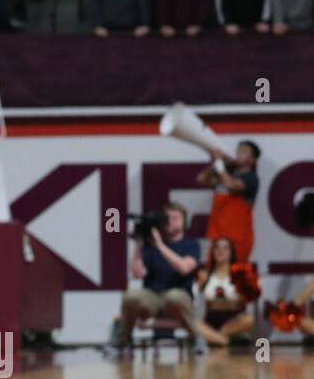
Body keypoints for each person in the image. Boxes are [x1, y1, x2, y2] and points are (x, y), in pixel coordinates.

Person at [111, 202, 202, 346]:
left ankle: (196, 338)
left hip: (179, 296)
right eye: (167, 218)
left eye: (175, 218)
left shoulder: (191, 245)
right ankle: (123, 339)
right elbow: (137, 273)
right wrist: (138, 246)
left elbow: (184, 268)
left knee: (174, 297)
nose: (170, 222)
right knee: (130, 297)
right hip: (152, 296)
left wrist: (160, 246)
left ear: (185, 222)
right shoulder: (150, 245)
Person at [197, 140, 260, 263]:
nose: (239, 153)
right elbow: (202, 180)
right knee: (214, 276)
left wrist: (220, 165)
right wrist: (215, 164)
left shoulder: (251, 178)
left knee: (234, 276)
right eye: (238, 150)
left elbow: (231, 185)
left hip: (238, 239)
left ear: (253, 160)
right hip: (218, 236)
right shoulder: (225, 174)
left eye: (245, 151)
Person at [194, 238, 255, 348]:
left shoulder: (239, 275)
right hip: (210, 322)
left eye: (225, 248)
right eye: (217, 247)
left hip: (233, 323)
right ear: (212, 252)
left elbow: (246, 301)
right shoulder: (205, 276)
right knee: (192, 323)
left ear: (231, 253)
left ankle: (215, 338)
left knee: (250, 319)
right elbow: (196, 301)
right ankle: (226, 342)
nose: (220, 251)